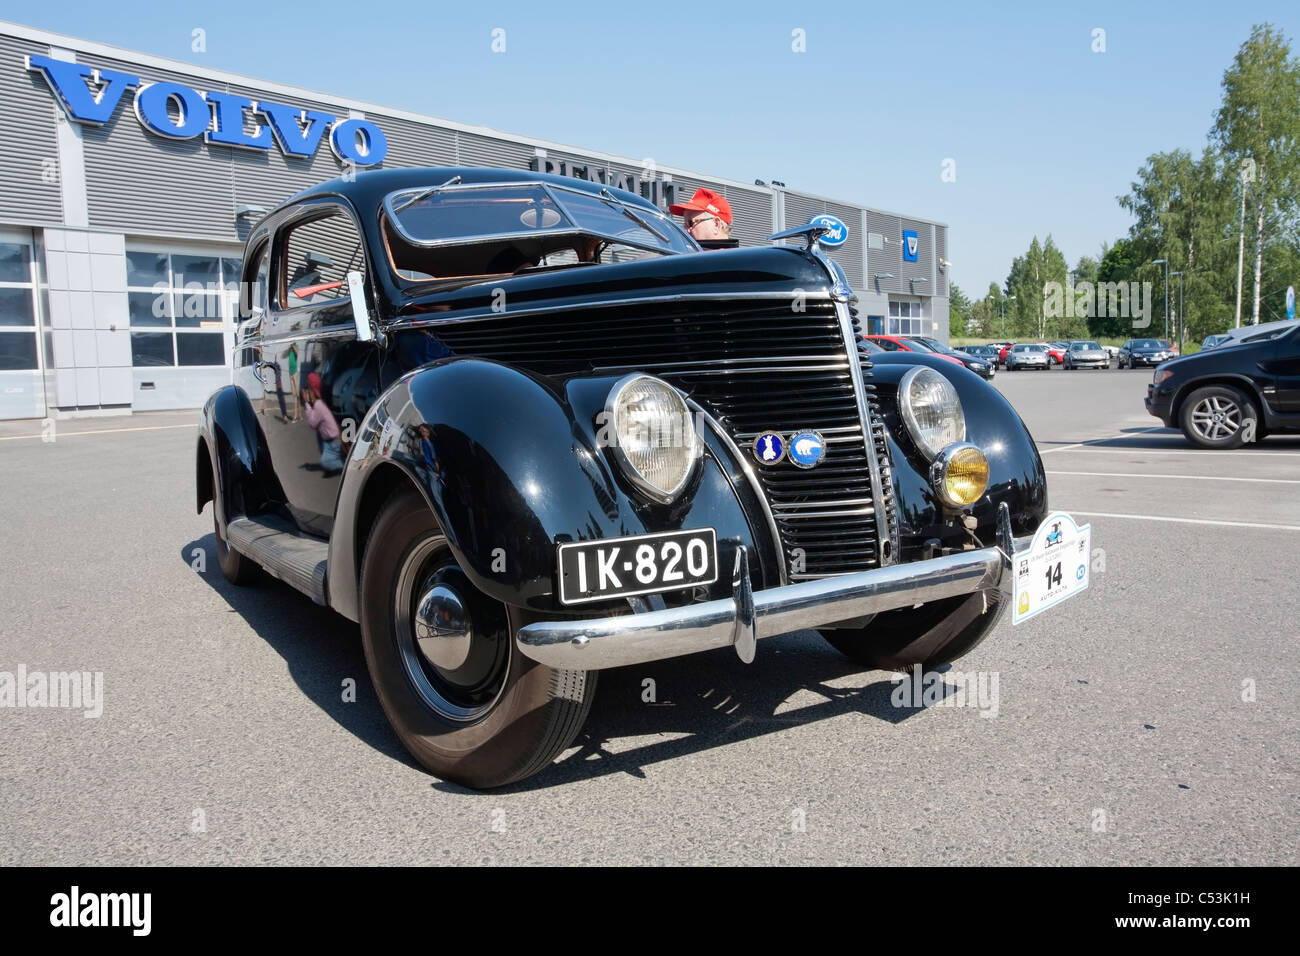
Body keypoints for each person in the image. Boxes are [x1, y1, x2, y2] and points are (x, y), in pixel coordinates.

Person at [669, 188, 739, 249]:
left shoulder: (734, 262)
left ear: (716, 224)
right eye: (685, 224)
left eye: (690, 223)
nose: (686, 230)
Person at [301, 386, 343, 474]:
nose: (305, 396)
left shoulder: (318, 405)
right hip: (329, 438)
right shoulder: (318, 403)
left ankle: (346, 467)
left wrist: (307, 404)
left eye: (306, 393)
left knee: (326, 463)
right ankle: (336, 463)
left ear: (312, 393)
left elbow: (312, 423)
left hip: (333, 440)